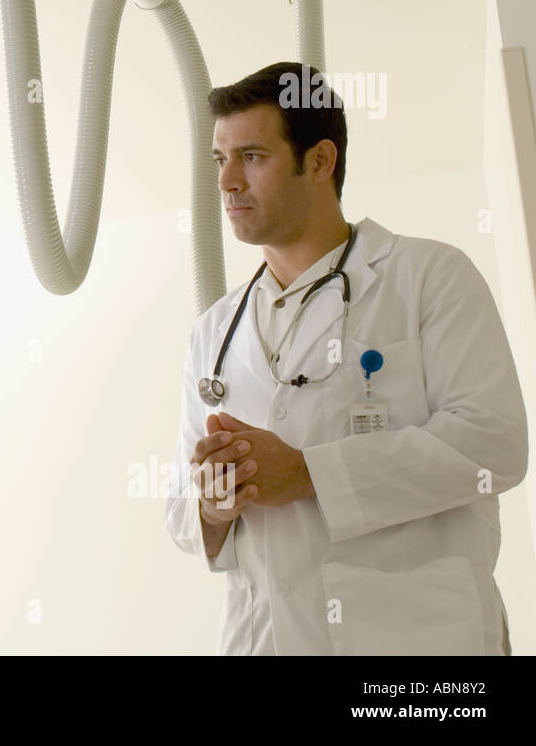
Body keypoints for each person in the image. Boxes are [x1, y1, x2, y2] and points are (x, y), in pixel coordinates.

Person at [166, 61, 528, 655]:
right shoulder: (213, 334)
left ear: (319, 161)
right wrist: (211, 501)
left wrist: (307, 472)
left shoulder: (427, 276)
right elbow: (181, 513)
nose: (227, 181)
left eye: (251, 157)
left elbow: (494, 445)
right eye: (219, 160)